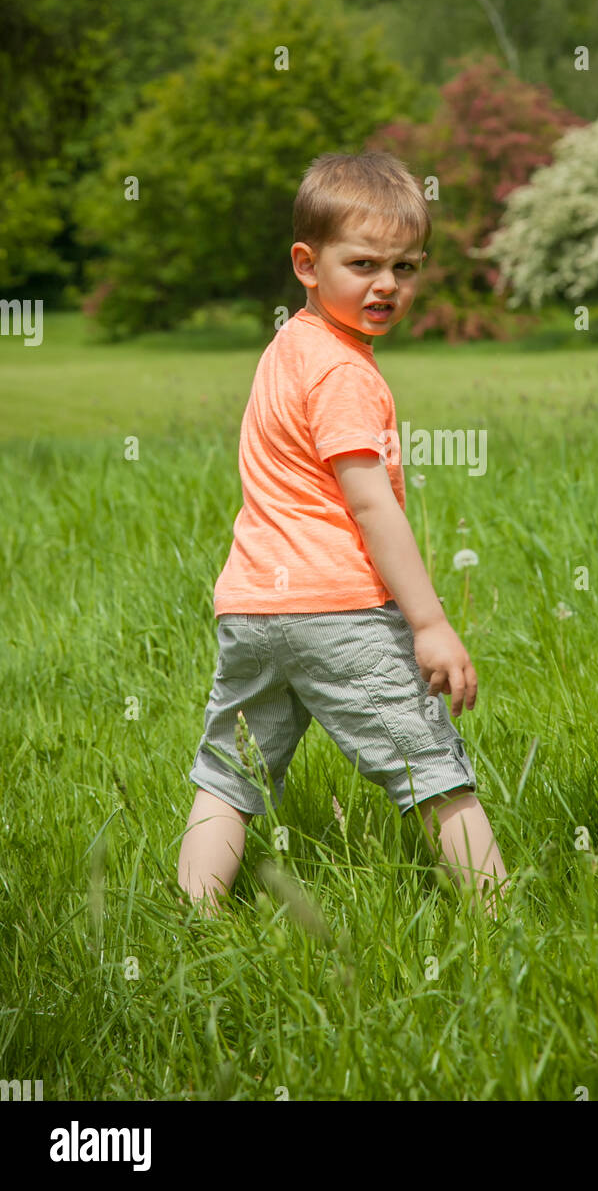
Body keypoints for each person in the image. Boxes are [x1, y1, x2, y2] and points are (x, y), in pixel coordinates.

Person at [177, 150, 509, 920]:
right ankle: (502, 921)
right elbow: (372, 507)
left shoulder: (288, 349)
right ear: (307, 262)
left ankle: (192, 920)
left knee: (230, 773)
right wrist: (429, 623)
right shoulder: (345, 374)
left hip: (253, 610)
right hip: (338, 611)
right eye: (362, 264)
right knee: (431, 768)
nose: (387, 284)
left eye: (407, 266)